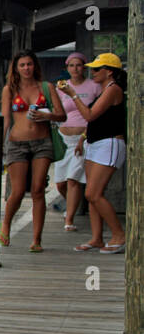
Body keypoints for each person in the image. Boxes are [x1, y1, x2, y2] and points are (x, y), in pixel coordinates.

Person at [0, 50, 66, 252]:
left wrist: (46, 116)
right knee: (18, 191)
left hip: (42, 142)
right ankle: (6, 224)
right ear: (16, 68)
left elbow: (61, 115)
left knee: (38, 189)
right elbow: (6, 119)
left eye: (29, 64)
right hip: (17, 143)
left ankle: (37, 239)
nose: (26, 68)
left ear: (35, 66)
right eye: (22, 65)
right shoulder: (9, 89)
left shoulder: (46, 87)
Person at [62, 53, 127, 253]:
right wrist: (83, 138)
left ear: (109, 72)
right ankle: (97, 238)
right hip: (94, 143)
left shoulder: (113, 89)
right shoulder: (103, 90)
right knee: (92, 194)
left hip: (109, 144)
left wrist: (73, 94)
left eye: (97, 69)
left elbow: (90, 115)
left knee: (93, 193)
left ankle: (119, 235)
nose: (92, 72)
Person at [51, 52, 101, 230]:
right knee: (60, 183)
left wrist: (84, 137)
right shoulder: (61, 87)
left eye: (79, 65)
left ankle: (69, 220)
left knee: (73, 180)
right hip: (64, 138)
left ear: (84, 67)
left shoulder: (94, 86)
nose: (75, 69)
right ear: (67, 68)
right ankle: (73, 204)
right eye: (71, 66)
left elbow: (97, 115)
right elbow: (56, 111)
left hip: (83, 138)